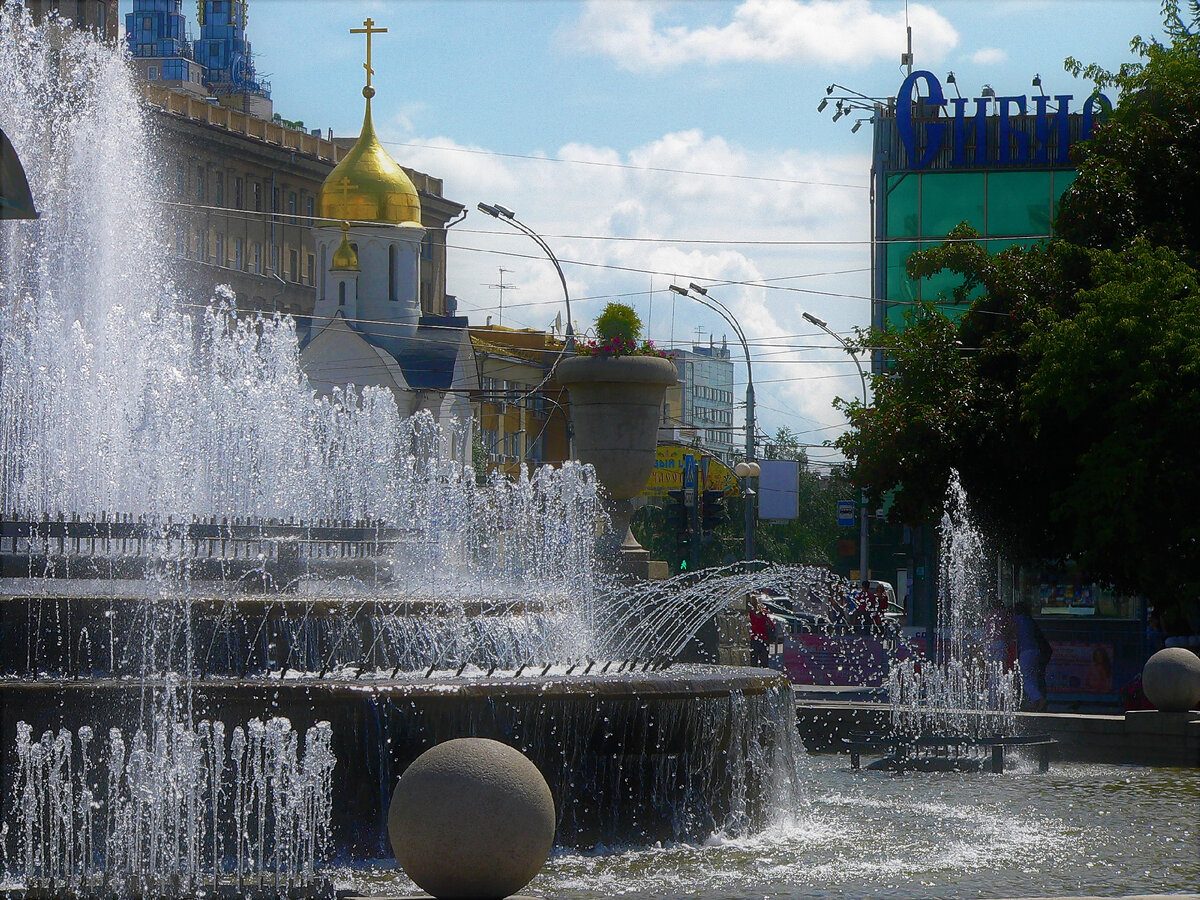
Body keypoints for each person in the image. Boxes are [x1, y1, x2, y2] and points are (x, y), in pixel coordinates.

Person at [1014, 601, 1052, 711]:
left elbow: (1013, 633)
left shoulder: (1017, 619)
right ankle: (1035, 702)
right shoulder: (1028, 619)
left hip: (1026, 651)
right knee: (1033, 676)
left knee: (1024, 677)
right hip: (1035, 650)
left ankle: (1039, 698)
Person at [748, 596, 773, 667]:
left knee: (753, 662)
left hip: (754, 639)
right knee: (764, 662)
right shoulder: (764, 613)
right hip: (764, 639)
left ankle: (754, 676)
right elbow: (772, 625)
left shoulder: (750, 614)